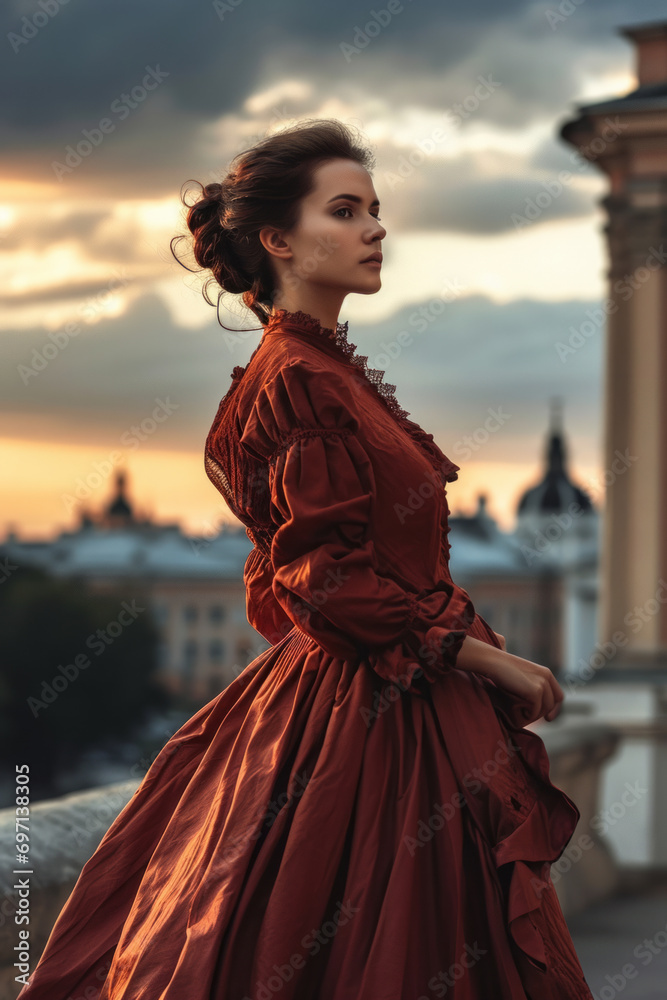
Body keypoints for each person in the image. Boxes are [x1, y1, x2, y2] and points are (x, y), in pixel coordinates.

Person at [18, 118, 595, 999]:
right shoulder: (298, 379)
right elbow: (322, 582)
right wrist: (489, 659)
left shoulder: (324, 371)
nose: (375, 230)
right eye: (346, 210)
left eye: (375, 210)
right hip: (374, 715)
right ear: (279, 240)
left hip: (388, 698)